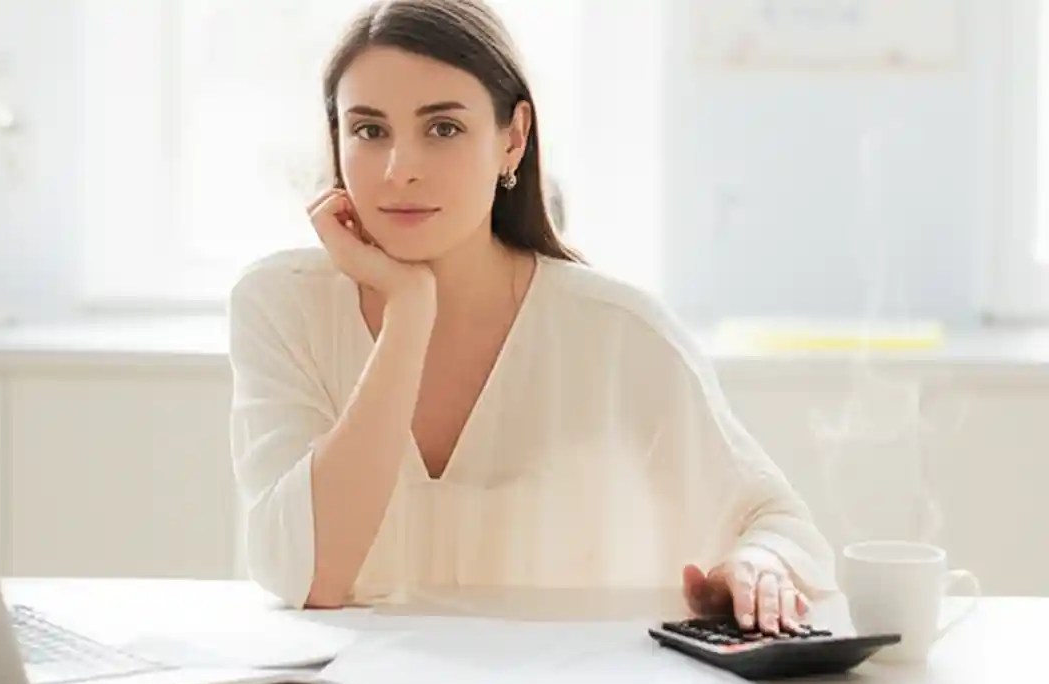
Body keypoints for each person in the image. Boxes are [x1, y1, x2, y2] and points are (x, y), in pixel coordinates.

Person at [227, 0, 836, 635]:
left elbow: (778, 524)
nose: (398, 169)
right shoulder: (281, 305)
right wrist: (408, 311)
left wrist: (758, 562)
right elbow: (313, 577)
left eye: (442, 129)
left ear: (512, 137)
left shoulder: (615, 332)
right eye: (369, 130)